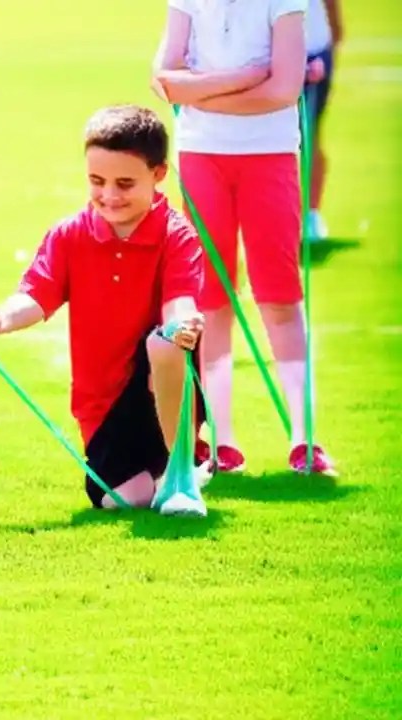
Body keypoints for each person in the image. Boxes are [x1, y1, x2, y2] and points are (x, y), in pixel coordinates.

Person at [0, 106, 208, 516]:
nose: (109, 195)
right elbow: (36, 295)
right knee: (122, 499)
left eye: (125, 183)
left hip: (160, 377)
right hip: (101, 402)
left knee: (164, 343)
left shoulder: (176, 234)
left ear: (159, 174)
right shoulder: (69, 235)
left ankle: (182, 476)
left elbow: (180, 303)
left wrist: (182, 323)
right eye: (97, 181)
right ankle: (171, 476)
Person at [151, 0, 336, 475]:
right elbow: (165, 78)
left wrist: (199, 91)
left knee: (279, 295)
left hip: (269, 154)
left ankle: (304, 438)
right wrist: (243, 78)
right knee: (211, 298)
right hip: (201, 155)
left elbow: (284, 88)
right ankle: (223, 443)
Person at [302, 0, 342, 241]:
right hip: (266, 50)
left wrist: (333, 36)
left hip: (312, 51)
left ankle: (310, 215)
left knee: (309, 136)